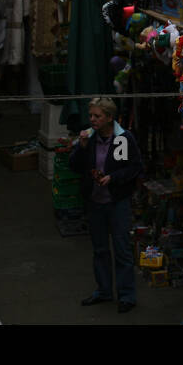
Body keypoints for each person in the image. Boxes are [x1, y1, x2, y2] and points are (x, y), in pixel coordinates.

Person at [69, 97, 143, 313]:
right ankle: (103, 291)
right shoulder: (89, 139)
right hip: (95, 202)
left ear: (110, 118)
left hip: (117, 202)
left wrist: (113, 178)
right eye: (91, 115)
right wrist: (81, 148)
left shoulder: (122, 138)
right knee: (100, 249)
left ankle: (126, 295)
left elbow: (134, 167)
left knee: (122, 250)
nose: (92, 119)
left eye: (97, 116)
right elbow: (74, 166)